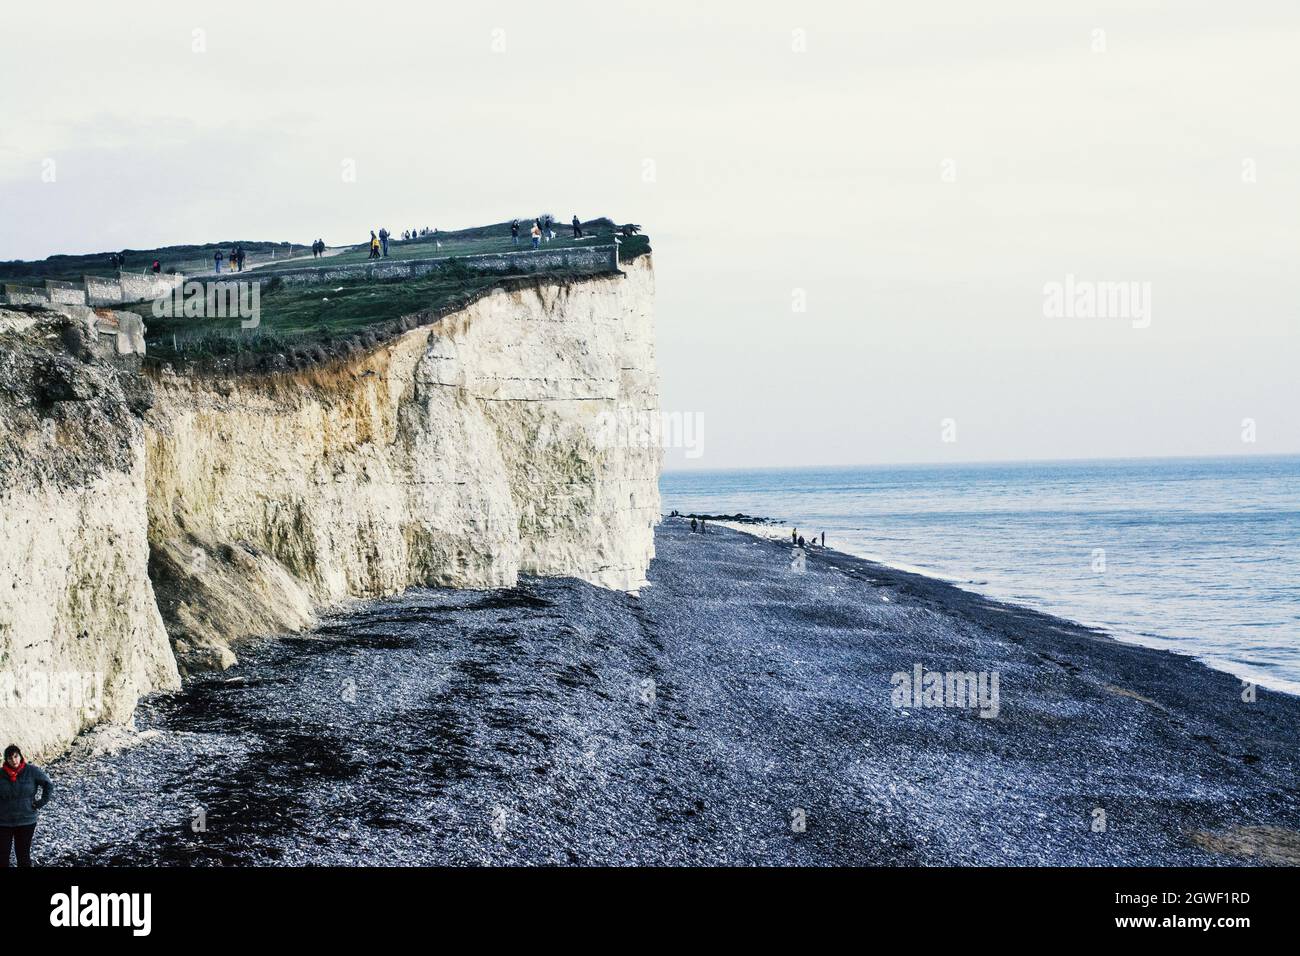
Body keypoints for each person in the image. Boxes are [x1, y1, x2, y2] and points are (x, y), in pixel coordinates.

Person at [1, 745, 53, 868]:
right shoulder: (1, 774)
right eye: (10, 758)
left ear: (20, 756)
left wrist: (41, 802)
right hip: (3, 822)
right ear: (6, 760)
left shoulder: (31, 771)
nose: (14, 760)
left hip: (26, 820)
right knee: (2, 856)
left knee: (23, 856)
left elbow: (48, 784)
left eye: (16, 756)